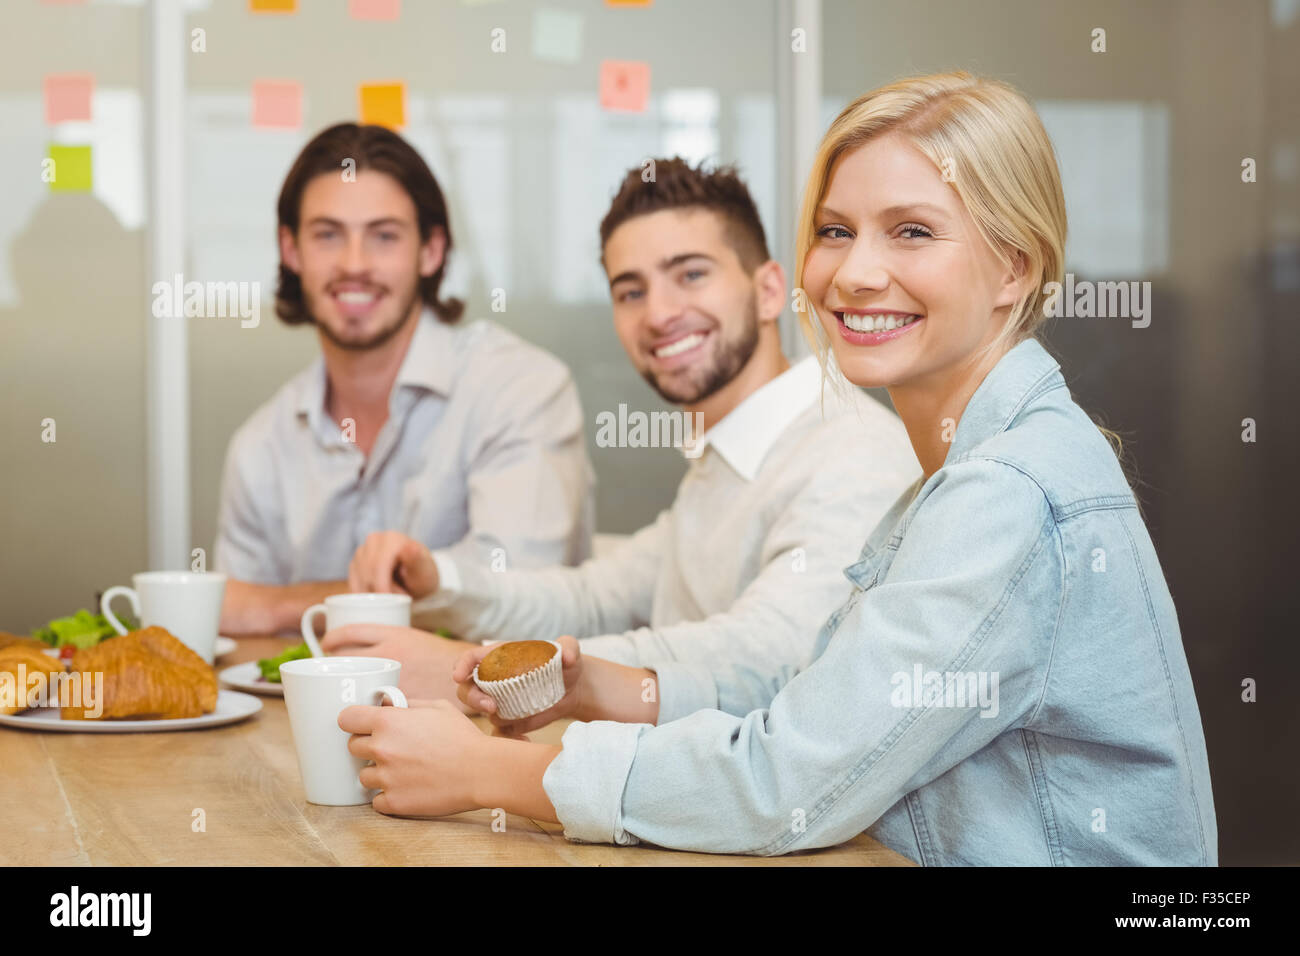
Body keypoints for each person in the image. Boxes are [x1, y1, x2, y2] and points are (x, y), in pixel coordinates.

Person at [338, 72, 1217, 865]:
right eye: (836, 231)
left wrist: (488, 773)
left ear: (1013, 268)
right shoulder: (960, 468)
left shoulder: (1003, 492)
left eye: (913, 232)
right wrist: (593, 685)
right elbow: (810, 694)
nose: (857, 272)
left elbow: (784, 781)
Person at [330, 158, 919, 708]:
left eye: (690, 274)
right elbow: (593, 599)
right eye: (631, 291)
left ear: (769, 291)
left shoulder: (854, 455)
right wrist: (439, 581)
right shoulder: (726, 461)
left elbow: (769, 658)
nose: (659, 314)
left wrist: (473, 667)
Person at [214, 123, 595, 636]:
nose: (354, 264)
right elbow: (233, 620)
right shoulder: (261, 444)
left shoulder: (520, 389)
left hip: (491, 718)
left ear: (431, 251)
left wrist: (284, 604)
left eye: (384, 236)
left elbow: (521, 597)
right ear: (292, 251)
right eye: (328, 235)